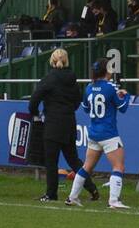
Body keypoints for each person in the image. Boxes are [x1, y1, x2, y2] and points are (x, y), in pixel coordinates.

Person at [28, 48, 97, 202]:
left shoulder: (48, 79)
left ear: (52, 61)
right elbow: (77, 100)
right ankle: (92, 188)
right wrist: (68, 110)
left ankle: (51, 194)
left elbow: (34, 99)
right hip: (69, 123)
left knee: (51, 161)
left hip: (52, 123)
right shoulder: (72, 79)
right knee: (73, 159)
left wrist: (35, 113)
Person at [67, 61, 131, 208]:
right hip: (108, 134)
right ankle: (114, 201)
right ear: (106, 71)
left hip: (94, 133)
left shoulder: (89, 87)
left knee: (86, 167)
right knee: (118, 167)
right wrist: (126, 96)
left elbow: (85, 108)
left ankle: (72, 197)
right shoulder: (110, 87)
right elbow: (123, 108)